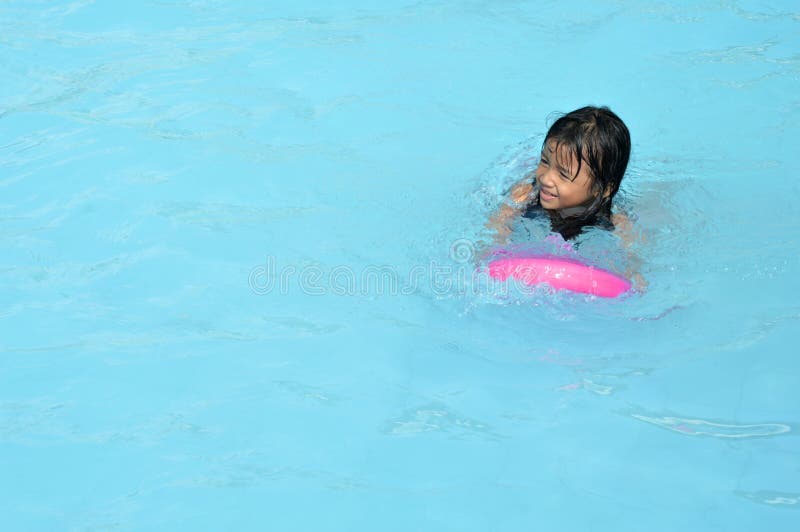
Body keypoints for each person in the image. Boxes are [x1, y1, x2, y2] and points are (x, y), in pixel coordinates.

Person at [487, 106, 633, 243]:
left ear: (605, 189)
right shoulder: (524, 194)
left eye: (563, 174)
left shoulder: (616, 220)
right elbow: (496, 231)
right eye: (544, 161)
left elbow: (631, 261)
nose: (546, 178)